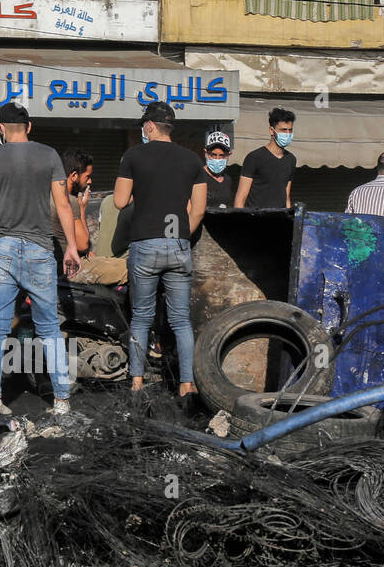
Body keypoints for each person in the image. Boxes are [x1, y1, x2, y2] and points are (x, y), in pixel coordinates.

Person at [0, 102, 79, 417]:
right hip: (40, 249)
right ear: (30, 126)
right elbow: (63, 205)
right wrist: (71, 248)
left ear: (0, 128)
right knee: (50, 328)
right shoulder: (50, 155)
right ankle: (62, 401)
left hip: (3, 250)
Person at [113, 100, 208, 397]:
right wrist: (179, 236)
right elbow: (200, 210)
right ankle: (185, 384)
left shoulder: (133, 155)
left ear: (150, 126)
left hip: (144, 245)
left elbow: (119, 201)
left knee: (141, 317)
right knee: (181, 320)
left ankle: (137, 382)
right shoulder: (192, 160)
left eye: (144, 125)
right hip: (178, 244)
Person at [51, 147, 126, 286]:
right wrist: (82, 209)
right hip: (68, 269)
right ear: (73, 176)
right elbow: (82, 244)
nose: (90, 181)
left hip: (51, 265)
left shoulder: (48, 195)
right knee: (130, 269)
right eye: (87, 176)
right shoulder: (70, 202)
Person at [236, 108, 296, 209]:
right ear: (271, 130)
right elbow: (240, 198)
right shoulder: (254, 157)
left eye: (290, 130)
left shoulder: (291, 159)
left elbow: (286, 196)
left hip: (280, 219)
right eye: (283, 130)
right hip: (256, 220)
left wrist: (290, 219)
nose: (287, 134)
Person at [202, 130, 242, 210]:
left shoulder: (228, 180)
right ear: (206, 153)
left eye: (222, 155)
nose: (217, 159)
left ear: (228, 155)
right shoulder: (198, 176)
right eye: (213, 155)